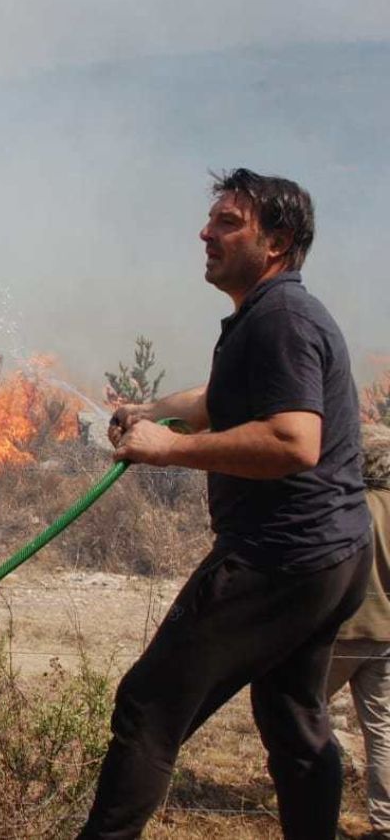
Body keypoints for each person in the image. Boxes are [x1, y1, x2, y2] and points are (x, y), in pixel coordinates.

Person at [77, 168, 372, 840]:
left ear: (277, 241)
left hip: (281, 559)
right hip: (332, 556)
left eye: (227, 223)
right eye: (211, 220)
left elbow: (294, 441)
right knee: (293, 723)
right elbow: (220, 401)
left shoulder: (283, 321)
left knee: (148, 708)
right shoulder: (269, 315)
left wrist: (164, 450)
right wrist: (153, 411)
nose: (205, 233)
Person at [328, 423, 390, 839]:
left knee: (300, 716)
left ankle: (312, 808)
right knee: (382, 729)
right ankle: (385, 825)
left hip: (340, 634)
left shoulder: (343, 505)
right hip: (386, 634)